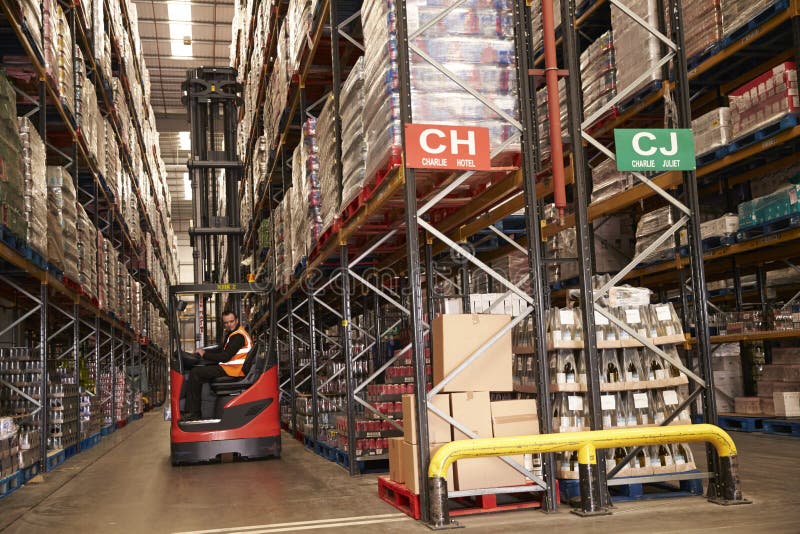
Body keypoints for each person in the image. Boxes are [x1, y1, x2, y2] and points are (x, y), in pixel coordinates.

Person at [183, 310, 252, 421]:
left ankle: (193, 413)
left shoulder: (238, 336)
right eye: (226, 323)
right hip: (231, 368)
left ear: (237, 320)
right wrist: (204, 351)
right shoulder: (233, 333)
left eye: (231, 321)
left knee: (196, 373)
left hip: (234, 370)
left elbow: (225, 356)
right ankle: (195, 410)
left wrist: (205, 354)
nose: (229, 325)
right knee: (200, 370)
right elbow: (221, 348)